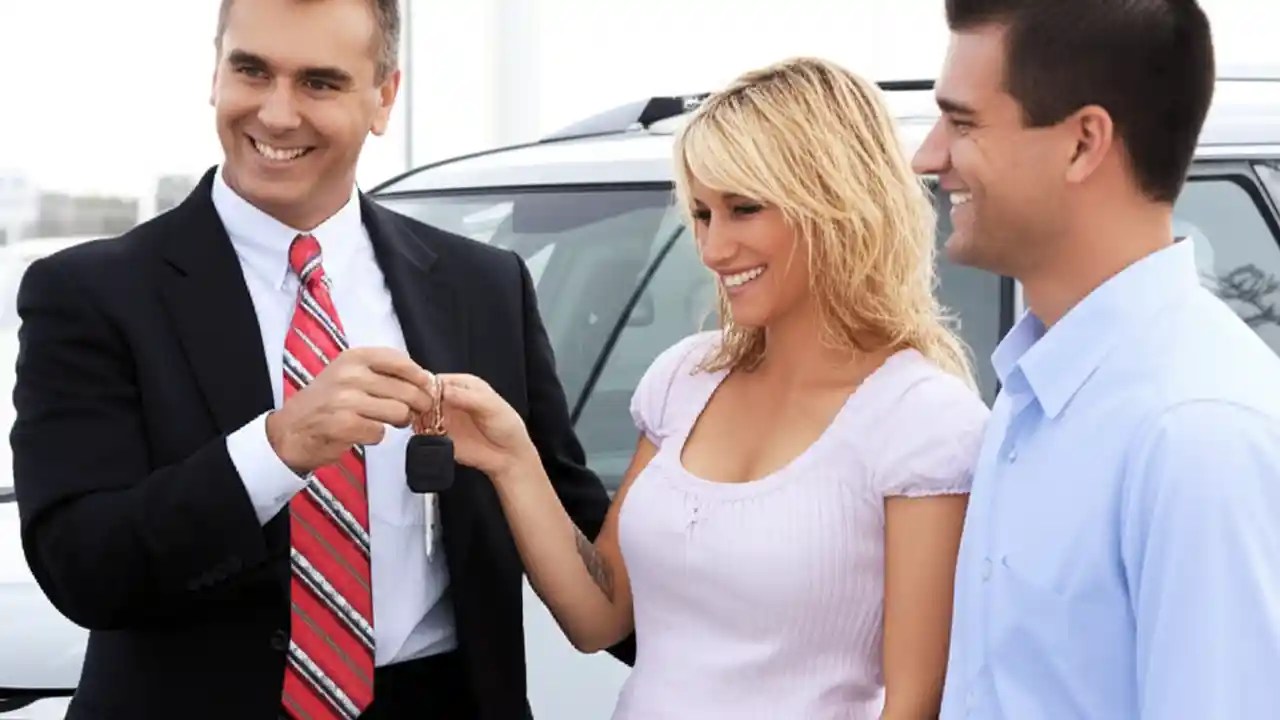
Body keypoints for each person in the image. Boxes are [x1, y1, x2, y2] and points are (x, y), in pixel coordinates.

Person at [8, 0, 623, 718]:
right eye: (251, 71)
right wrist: (277, 448)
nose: (275, 113)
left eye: (320, 83)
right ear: (215, 73)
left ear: (384, 97)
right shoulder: (90, 293)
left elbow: (597, 558)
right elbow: (82, 568)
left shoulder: (482, 288)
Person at [422, 57, 991, 719]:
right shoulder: (684, 380)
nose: (714, 249)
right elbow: (599, 618)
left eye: (744, 209)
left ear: (837, 200)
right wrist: (511, 458)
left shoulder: (924, 420)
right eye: (701, 214)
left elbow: (915, 705)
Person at [911, 1, 1280, 717]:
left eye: (962, 124)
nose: (928, 157)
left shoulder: (1197, 434)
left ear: (1083, 143)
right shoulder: (1035, 392)